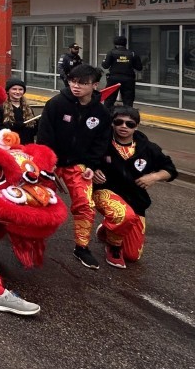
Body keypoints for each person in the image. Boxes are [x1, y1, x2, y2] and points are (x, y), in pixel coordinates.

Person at [36, 64, 112, 270]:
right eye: (73, 81)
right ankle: (33, 240)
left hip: (78, 166)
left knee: (85, 206)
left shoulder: (102, 112)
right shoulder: (56, 104)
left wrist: (91, 165)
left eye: (82, 83)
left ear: (95, 85)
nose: (76, 86)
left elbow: (101, 142)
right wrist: (48, 165)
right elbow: (44, 137)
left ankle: (82, 247)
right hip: (50, 164)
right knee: (38, 202)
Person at [93, 107, 177, 268]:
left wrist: (154, 176)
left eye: (129, 124)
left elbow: (170, 170)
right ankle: (113, 247)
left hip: (135, 200)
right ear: (112, 124)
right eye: (118, 122)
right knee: (123, 215)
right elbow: (86, 158)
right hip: (105, 192)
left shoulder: (148, 148)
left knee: (132, 255)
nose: (123, 126)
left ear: (136, 126)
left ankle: (106, 229)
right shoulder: (101, 143)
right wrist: (94, 168)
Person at [0, 78, 36, 146]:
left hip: (26, 145)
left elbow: (33, 130)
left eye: (20, 89)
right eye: (14, 89)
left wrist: (38, 123)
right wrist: (11, 128)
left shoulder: (28, 108)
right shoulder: (0, 108)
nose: (17, 92)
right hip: (9, 146)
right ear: (8, 91)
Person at [102, 36, 143, 111]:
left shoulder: (111, 53)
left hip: (113, 79)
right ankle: (128, 116)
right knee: (128, 100)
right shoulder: (132, 53)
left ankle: (107, 117)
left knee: (109, 99)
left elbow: (105, 66)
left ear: (115, 43)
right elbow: (139, 67)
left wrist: (104, 60)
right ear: (125, 43)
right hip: (128, 79)